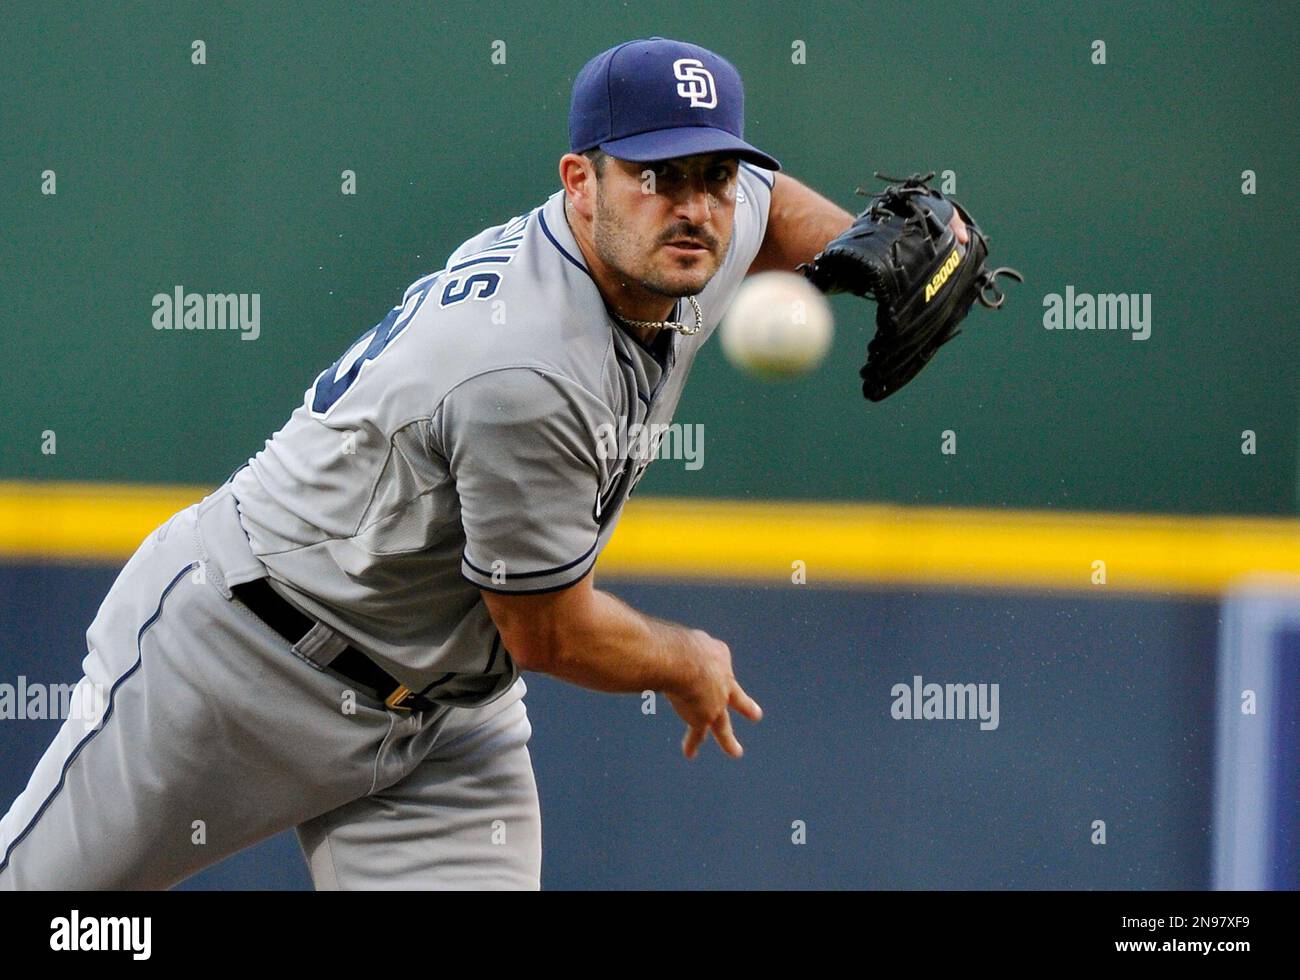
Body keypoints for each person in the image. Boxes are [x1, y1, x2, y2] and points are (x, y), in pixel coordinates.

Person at [0, 36, 966, 890]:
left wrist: (846, 247)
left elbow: (766, 201)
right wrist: (685, 657)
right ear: (579, 183)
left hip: (443, 724)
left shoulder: (682, 235)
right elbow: (548, 632)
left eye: (712, 173)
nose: (696, 206)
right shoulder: (528, 367)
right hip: (239, 662)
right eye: (657, 175)